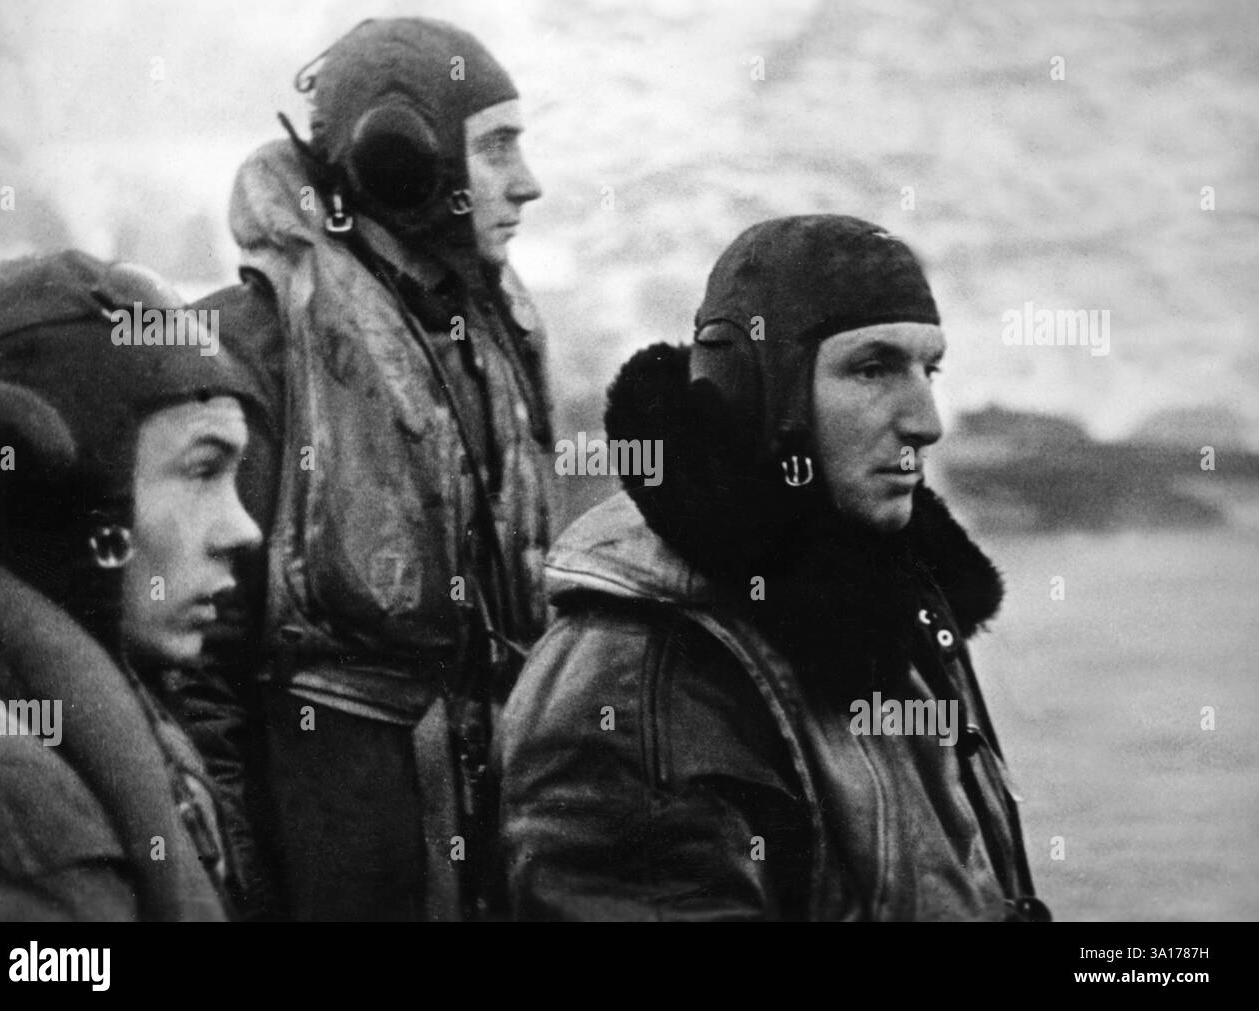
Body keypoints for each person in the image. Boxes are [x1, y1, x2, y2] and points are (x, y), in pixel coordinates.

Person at [498, 215, 1051, 921]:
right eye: (873, 368)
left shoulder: (882, 607)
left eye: (929, 368)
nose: (927, 419)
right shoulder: (641, 680)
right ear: (758, 391)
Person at [190, 16, 553, 921]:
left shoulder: (492, 342)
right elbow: (193, 677)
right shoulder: (251, 351)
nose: (528, 182)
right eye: (498, 146)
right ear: (402, 159)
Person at [0, 250, 265, 920]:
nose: (244, 531)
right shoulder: (0, 792)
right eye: (201, 470)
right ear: (38, 484)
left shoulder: (93, 708)